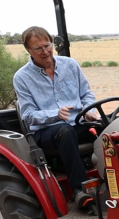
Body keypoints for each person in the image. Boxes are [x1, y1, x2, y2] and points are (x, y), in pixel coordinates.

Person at [13, 26, 99, 208]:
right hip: (46, 131)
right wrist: (55, 114)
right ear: (28, 50)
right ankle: (80, 190)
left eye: (47, 45)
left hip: (78, 122)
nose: (45, 51)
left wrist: (89, 110)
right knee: (64, 131)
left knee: (111, 125)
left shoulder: (70, 65)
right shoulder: (22, 77)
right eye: (38, 48)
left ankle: (116, 179)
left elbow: (86, 94)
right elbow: (28, 115)